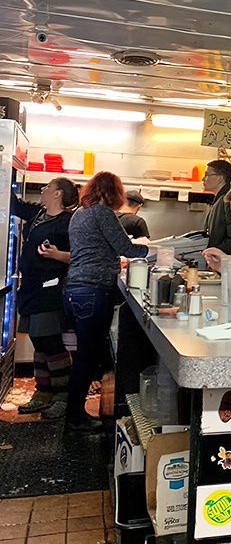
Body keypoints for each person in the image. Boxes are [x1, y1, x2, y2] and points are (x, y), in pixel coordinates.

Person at [64, 171, 150, 433]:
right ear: (114, 193)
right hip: (93, 292)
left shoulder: (80, 213)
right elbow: (127, 248)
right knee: (87, 359)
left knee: (83, 357)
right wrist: (156, 249)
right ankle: (75, 419)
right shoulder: (102, 213)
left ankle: (75, 414)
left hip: (75, 290)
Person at [12, 178, 79, 420]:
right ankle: (43, 392)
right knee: (38, 341)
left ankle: (63, 396)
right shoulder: (38, 213)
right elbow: (14, 204)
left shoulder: (68, 222)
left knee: (50, 341)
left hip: (50, 288)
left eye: (47, 187)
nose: (43, 189)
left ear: (58, 194)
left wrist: (57, 254)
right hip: (29, 288)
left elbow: (81, 255)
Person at [202, 159, 231, 255]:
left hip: (223, 260)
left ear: (221, 178)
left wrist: (214, 252)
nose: (203, 179)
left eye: (207, 175)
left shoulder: (228, 201)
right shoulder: (218, 200)